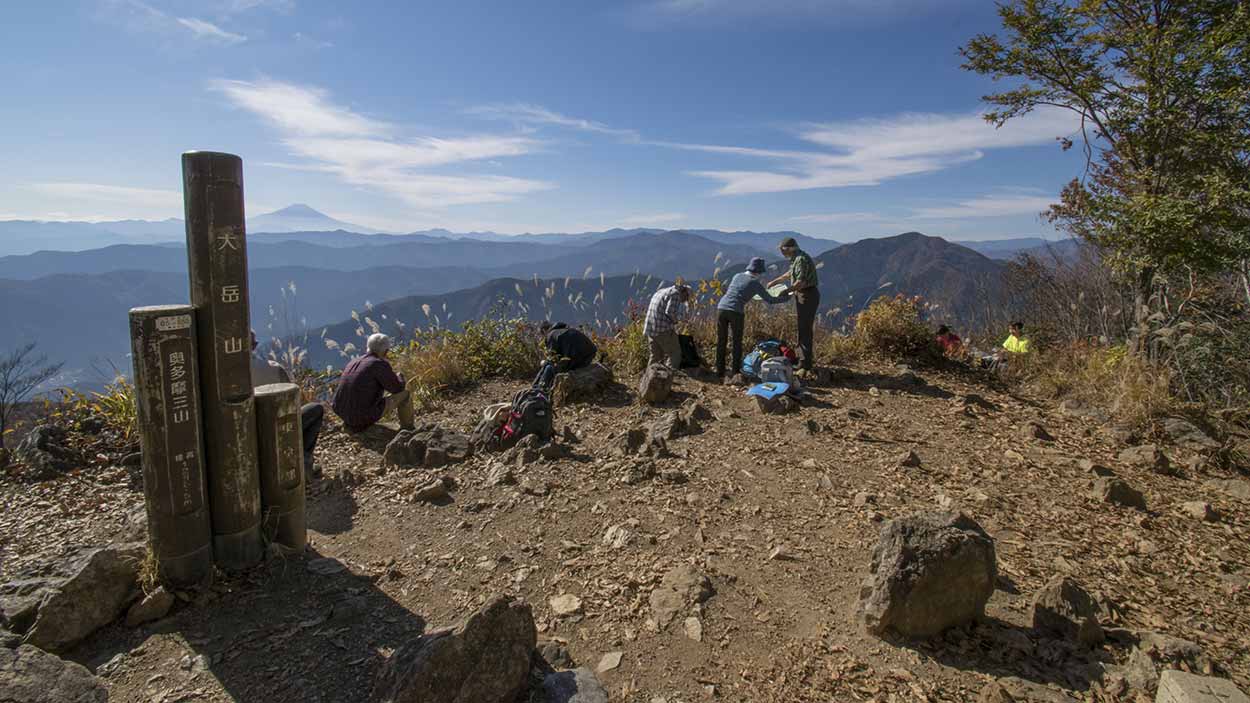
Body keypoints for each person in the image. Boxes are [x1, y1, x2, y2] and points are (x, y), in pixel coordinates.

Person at [251, 331, 324, 479]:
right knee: (316, 409)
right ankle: (303, 463)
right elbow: (294, 401)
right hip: (278, 429)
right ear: (255, 345)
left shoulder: (223, 377)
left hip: (249, 436)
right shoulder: (274, 368)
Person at [715, 257, 789, 378]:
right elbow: (770, 300)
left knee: (721, 341)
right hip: (736, 312)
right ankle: (735, 372)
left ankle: (719, 371)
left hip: (721, 308)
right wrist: (786, 297)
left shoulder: (737, 276)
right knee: (736, 342)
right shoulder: (755, 283)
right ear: (759, 272)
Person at [332, 332, 414, 433]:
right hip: (361, 417)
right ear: (386, 351)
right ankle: (408, 429)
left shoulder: (353, 362)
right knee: (405, 395)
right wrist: (400, 377)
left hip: (342, 412)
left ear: (368, 347)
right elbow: (397, 389)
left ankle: (351, 423)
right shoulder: (379, 364)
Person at [769, 237, 820, 372]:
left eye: (783, 250)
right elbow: (790, 273)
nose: (781, 252)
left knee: (805, 328)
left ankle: (805, 364)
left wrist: (786, 291)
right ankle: (800, 359)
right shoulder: (796, 258)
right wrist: (775, 281)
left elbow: (800, 283)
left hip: (807, 294)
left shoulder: (801, 260)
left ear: (790, 249)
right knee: (802, 327)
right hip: (803, 294)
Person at [534, 322, 598, 390]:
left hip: (576, 356)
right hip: (590, 354)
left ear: (544, 331)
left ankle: (540, 389)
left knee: (549, 367)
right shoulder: (567, 330)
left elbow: (553, 358)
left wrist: (545, 363)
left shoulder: (551, 334)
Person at [644, 283, 692, 368]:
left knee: (655, 356)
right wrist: (677, 321)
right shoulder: (676, 294)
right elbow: (670, 312)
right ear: (684, 293)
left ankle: (650, 378)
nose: (684, 301)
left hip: (650, 328)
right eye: (686, 298)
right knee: (675, 352)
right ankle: (670, 375)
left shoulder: (661, 291)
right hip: (662, 329)